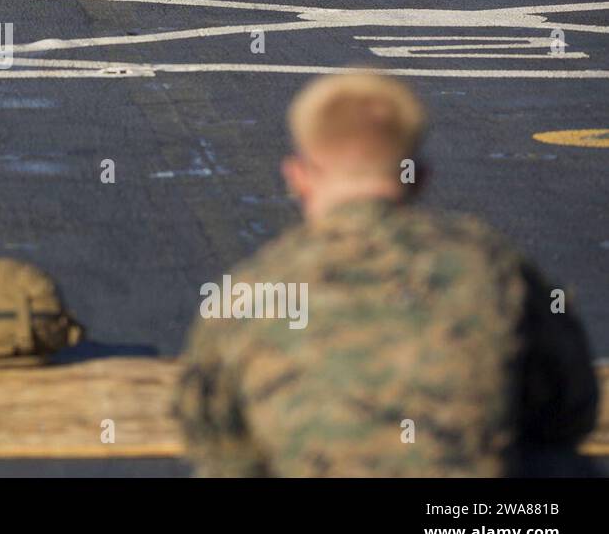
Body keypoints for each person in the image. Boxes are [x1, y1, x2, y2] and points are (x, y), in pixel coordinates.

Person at [173, 72, 599, 477]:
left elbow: (215, 439)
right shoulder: (491, 266)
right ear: (420, 178)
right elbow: (572, 407)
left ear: (298, 177)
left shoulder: (255, 288)